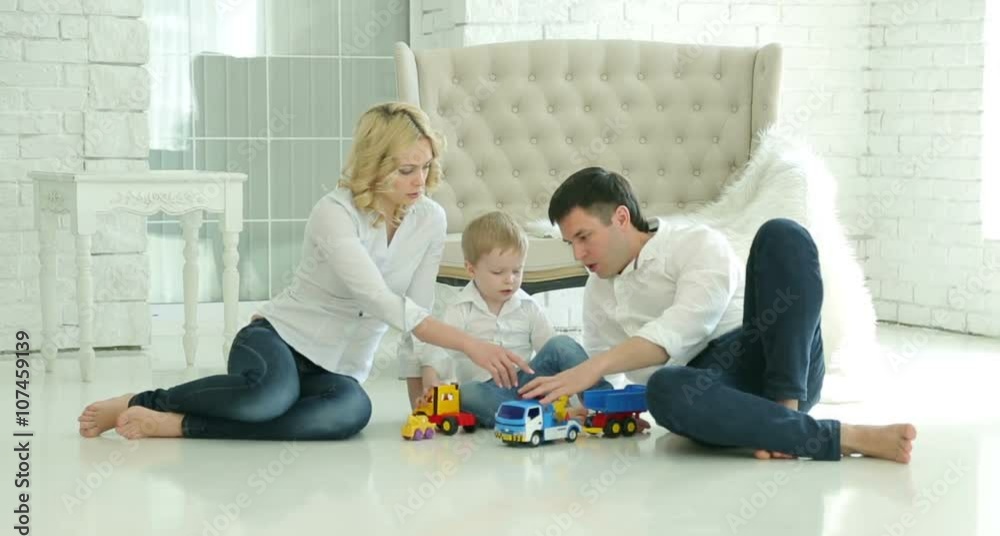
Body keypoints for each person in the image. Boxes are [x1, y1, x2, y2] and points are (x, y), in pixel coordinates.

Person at [77, 102, 533, 441]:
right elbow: (377, 299)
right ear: (374, 166)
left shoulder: (430, 219)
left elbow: (417, 311)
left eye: (426, 168)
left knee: (349, 414)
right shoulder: (333, 212)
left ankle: (181, 425)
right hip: (278, 341)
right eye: (406, 170)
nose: (419, 181)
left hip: (339, 368)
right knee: (267, 398)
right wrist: (473, 344)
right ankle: (147, 402)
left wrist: (425, 391)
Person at [520, 166, 918, 463]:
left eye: (584, 237)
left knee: (783, 234)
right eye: (570, 243)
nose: (578, 254)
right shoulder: (599, 293)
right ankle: (787, 433)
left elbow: (682, 329)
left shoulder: (695, 244)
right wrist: (597, 406)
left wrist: (593, 367)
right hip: (703, 390)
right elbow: (614, 381)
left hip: (769, 359)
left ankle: (789, 420)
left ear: (621, 218)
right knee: (665, 387)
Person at [414, 211, 611, 426]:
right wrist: (431, 382)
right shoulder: (460, 309)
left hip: (528, 386)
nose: (509, 280)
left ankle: (606, 404)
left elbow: (552, 351)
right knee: (466, 393)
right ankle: (545, 414)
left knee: (562, 344)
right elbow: (435, 351)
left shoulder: (528, 306)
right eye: (498, 272)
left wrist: (567, 391)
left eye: (517, 271)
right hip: (487, 391)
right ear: (471, 269)